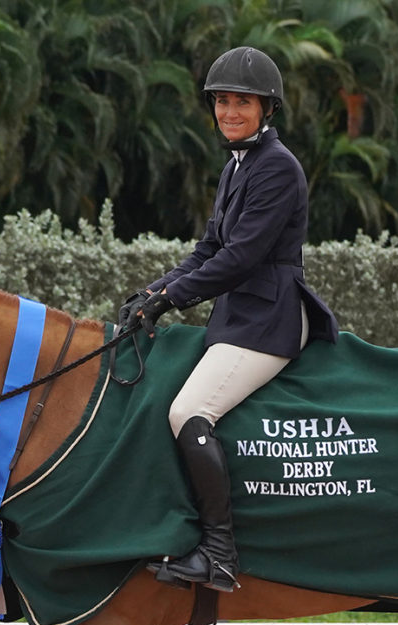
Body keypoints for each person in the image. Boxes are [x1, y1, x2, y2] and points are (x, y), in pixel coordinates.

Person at [120, 45, 340, 593]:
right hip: (237, 316)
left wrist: (170, 301)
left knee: (188, 412)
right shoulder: (236, 165)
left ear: (267, 109)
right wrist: (153, 290)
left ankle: (218, 553)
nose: (229, 112)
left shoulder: (278, 169)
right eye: (221, 102)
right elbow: (207, 249)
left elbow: (239, 258)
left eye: (242, 102)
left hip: (268, 318)